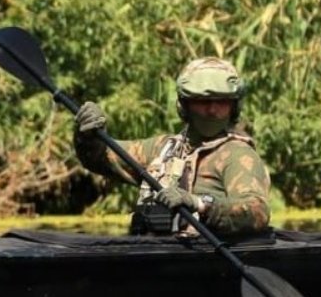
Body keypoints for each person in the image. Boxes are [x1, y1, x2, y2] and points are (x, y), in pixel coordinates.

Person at [73, 57, 272, 241]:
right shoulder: (162, 148)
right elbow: (101, 158)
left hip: (206, 262)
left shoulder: (237, 154)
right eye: (202, 101)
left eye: (222, 101)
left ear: (234, 106)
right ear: (184, 104)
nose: (212, 110)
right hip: (151, 255)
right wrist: (88, 135)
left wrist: (200, 204)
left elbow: (257, 211)